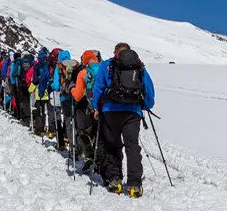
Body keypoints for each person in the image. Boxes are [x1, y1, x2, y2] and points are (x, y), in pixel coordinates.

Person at [91, 43, 156, 198]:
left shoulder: (107, 65)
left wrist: (96, 108)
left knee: (113, 145)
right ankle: (134, 184)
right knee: (132, 146)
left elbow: (98, 88)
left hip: (110, 111)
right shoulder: (138, 65)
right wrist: (146, 105)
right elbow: (148, 88)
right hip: (132, 112)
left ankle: (115, 180)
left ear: (115, 52)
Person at [72, 50, 100, 173]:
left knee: (83, 132)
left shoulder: (83, 73)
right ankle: (101, 161)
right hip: (102, 108)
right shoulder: (105, 70)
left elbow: (77, 96)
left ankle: (89, 157)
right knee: (99, 134)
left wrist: (72, 88)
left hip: (86, 107)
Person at [52, 50, 79, 152]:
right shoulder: (74, 65)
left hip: (64, 97)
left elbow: (55, 85)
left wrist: (52, 86)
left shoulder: (59, 67)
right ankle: (78, 147)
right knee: (75, 121)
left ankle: (72, 148)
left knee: (68, 121)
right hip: (75, 95)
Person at [31, 47, 52, 136]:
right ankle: (51, 130)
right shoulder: (49, 65)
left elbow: (35, 80)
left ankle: (40, 128)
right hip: (49, 91)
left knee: (41, 111)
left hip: (39, 92)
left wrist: (31, 88)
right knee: (50, 111)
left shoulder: (37, 66)